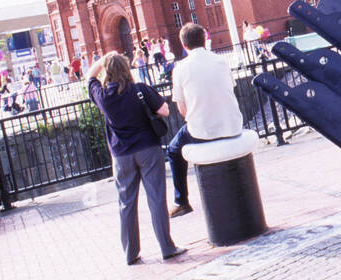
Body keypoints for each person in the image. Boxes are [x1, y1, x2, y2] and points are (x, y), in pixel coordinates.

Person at [87, 51, 187, 265]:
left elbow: (89, 76)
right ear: (126, 69)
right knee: (157, 198)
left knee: (126, 203)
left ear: (107, 71)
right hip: (148, 149)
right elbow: (165, 111)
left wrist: (103, 59)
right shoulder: (140, 90)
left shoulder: (102, 96)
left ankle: (130, 253)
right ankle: (167, 247)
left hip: (121, 155)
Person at [165, 23, 244, 218]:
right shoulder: (220, 61)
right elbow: (230, 90)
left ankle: (181, 201)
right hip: (233, 125)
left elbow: (182, 110)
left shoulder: (180, 68)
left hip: (202, 130)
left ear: (184, 45)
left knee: (173, 151)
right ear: (205, 39)